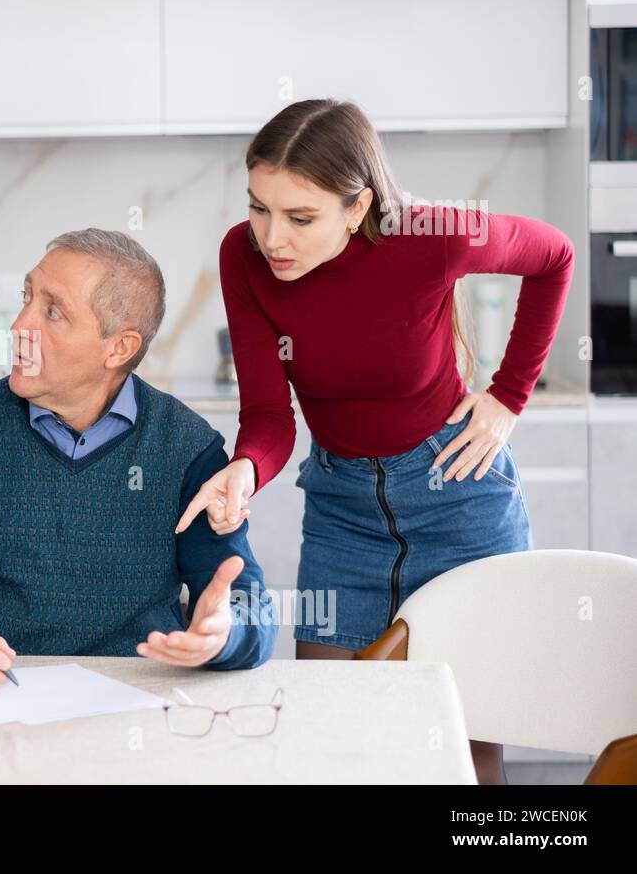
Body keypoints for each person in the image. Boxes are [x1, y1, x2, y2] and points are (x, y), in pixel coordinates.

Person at [178, 99, 574, 783]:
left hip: (459, 498)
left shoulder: (434, 235)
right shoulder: (242, 260)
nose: (273, 237)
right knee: (328, 737)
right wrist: (245, 470)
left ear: (357, 206)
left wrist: (509, 396)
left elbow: (555, 257)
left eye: (301, 218)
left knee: (468, 750)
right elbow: (271, 417)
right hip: (343, 510)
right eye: (258, 207)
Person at [0, 229, 277, 693]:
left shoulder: (188, 449)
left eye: (52, 312)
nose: (19, 326)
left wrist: (224, 635)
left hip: (134, 711)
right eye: (27, 297)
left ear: (119, 348)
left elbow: (248, 605)